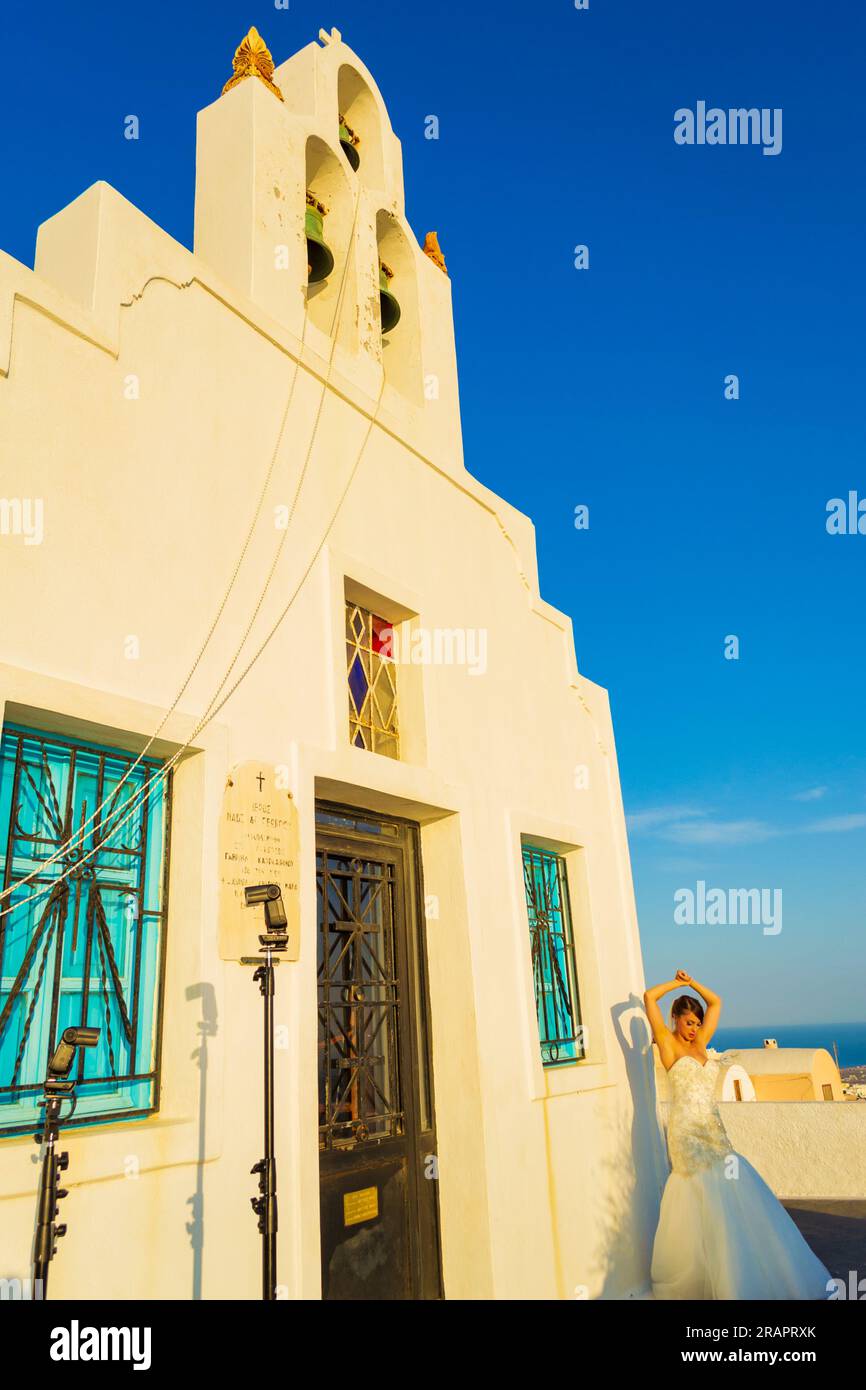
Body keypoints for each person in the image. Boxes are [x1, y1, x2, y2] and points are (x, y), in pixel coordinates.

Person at [643, 970, 832, 1300]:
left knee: (730, 1189)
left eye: (697, 1024)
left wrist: (694, 984)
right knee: (699, 1193)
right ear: (675, 1019)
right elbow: (649, 998)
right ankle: (702, 1279)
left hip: (713, 1128)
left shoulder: (701, 1043)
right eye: (688, 1023)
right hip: (686, 1131)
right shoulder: (668, 1044)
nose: (694, 1030)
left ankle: (741, 1271)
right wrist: (677, 985)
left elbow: (716, 1001)